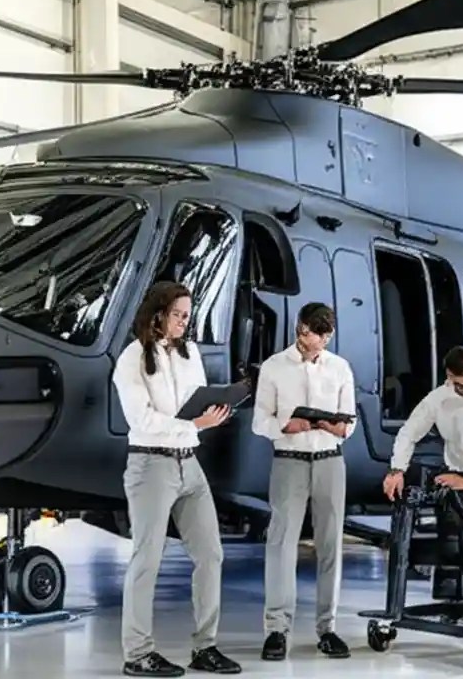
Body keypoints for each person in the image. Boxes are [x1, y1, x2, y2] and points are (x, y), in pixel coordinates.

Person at [112, 280, 242, 677]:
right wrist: (195, 425)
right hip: (151, 465)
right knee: (146, 559)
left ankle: (205, 647)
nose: (185, 322)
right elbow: (142, 420)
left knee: (211, 554)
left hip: (189, 463)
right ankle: (137, 654)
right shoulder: (132, 358)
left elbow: (194, 401)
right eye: (178, 315)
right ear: (157, 315)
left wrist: (215, 411)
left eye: (188, 315)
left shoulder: (190, 353)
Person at [252, 302, 356, 661]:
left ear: (327, 336)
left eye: (314, 334)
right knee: (281, 544)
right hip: (289, 461)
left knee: (330, 545)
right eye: (304, 329)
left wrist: (336, 427)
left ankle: (327, 629)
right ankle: (277, 630)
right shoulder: (274, 367)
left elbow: (349, 423)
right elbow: (259, 421)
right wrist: (285, 425)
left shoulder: (340, 368)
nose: (304, 337)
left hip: (330, 461)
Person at [382, 346, 463, 621]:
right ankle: (455, 609)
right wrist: (397, 469)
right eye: (457, 383)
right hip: (454, 476)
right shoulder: (439, 399)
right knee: (453, 545)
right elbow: (408, 433)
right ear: (449, 376)